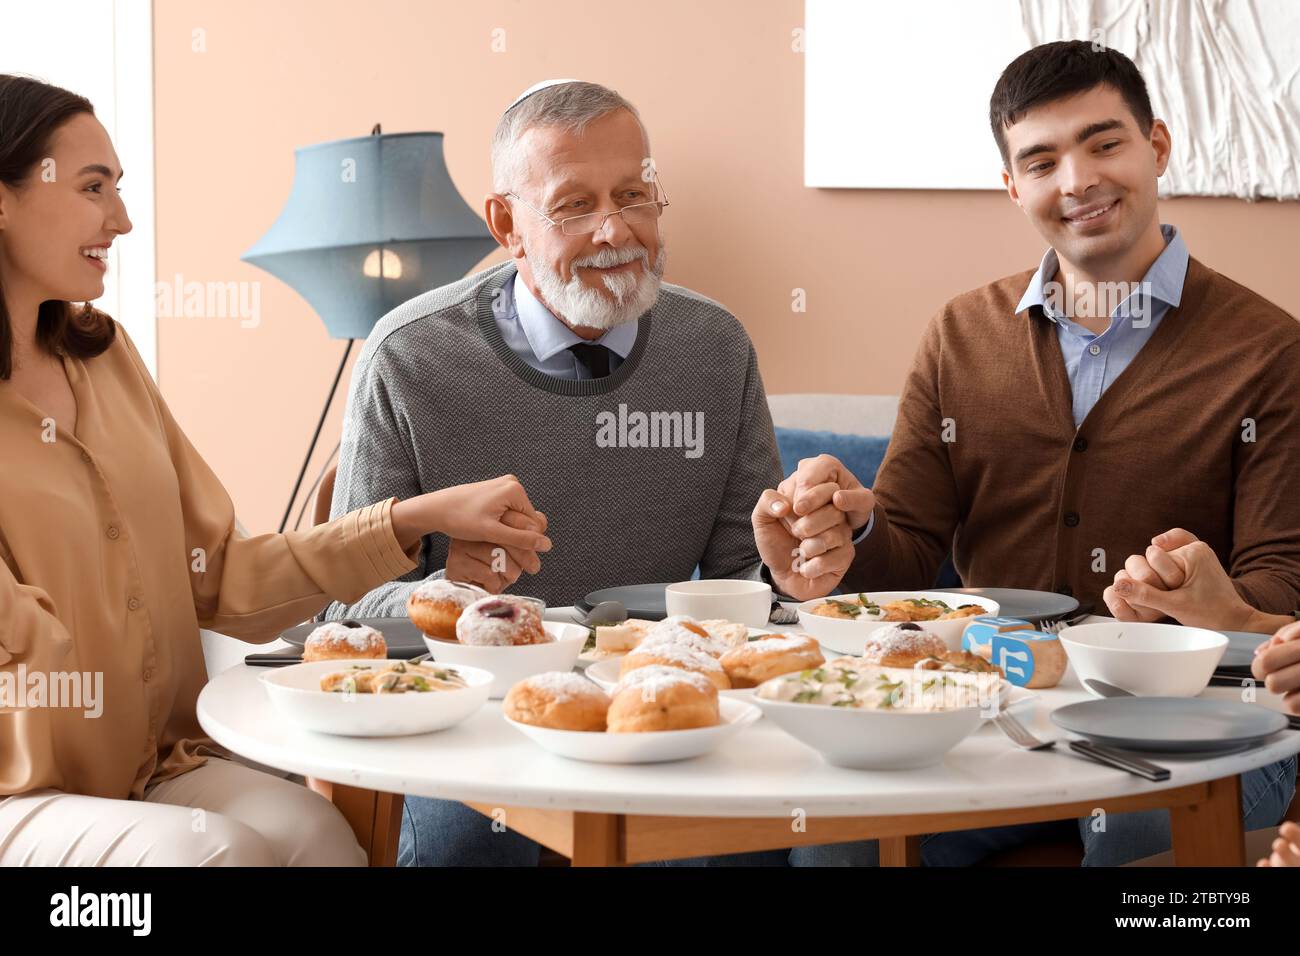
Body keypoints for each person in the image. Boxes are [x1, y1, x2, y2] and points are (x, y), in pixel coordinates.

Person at [753, 41, 1298, 866]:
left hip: (1205, 712)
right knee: (840, 843)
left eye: (1103, 143)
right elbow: (906, 552)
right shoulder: (960, 335)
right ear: (1014, 186)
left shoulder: (1269, 350)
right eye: (1041, 160)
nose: (1076, 180)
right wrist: (850, 535)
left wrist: (1210, 600)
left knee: (1137, 831)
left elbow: (1278, 593)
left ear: (1157, 146)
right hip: (995, 707)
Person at [0, 75, 550, 866]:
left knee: (321, 836)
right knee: (215, 857)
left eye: (119, 189)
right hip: (26, 791)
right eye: (94, 189)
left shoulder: (108, 358)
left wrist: (413, 518)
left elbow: (221, 572)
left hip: (154, 767)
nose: (121, 219)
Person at [323, 80, 784, 865]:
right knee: (470, 844)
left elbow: (751, 576)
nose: (617, 230)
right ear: (507, 223)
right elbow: (348, 598)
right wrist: (454, 596)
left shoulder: (715, 347)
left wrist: (805, 556)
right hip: (474, 717)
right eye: (573, 205)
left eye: (634, 195)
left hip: (656, 708)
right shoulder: (409, 354)